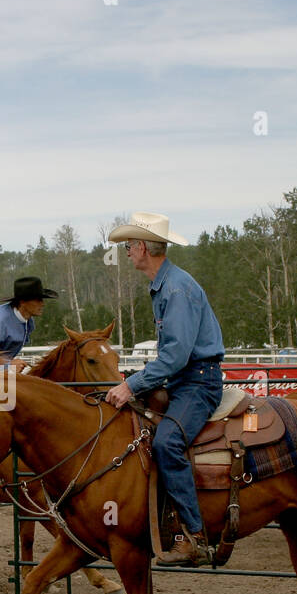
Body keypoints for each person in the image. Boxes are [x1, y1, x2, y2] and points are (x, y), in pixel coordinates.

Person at [103, 212, 225, 566]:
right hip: (185, 378)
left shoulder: (175, 288)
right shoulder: (166, 285)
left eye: (130, 245)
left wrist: (132, 384)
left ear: (142, 247)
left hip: (197, 382)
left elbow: (175, 355)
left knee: (167, 442)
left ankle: (194, 536)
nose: (127, 252)